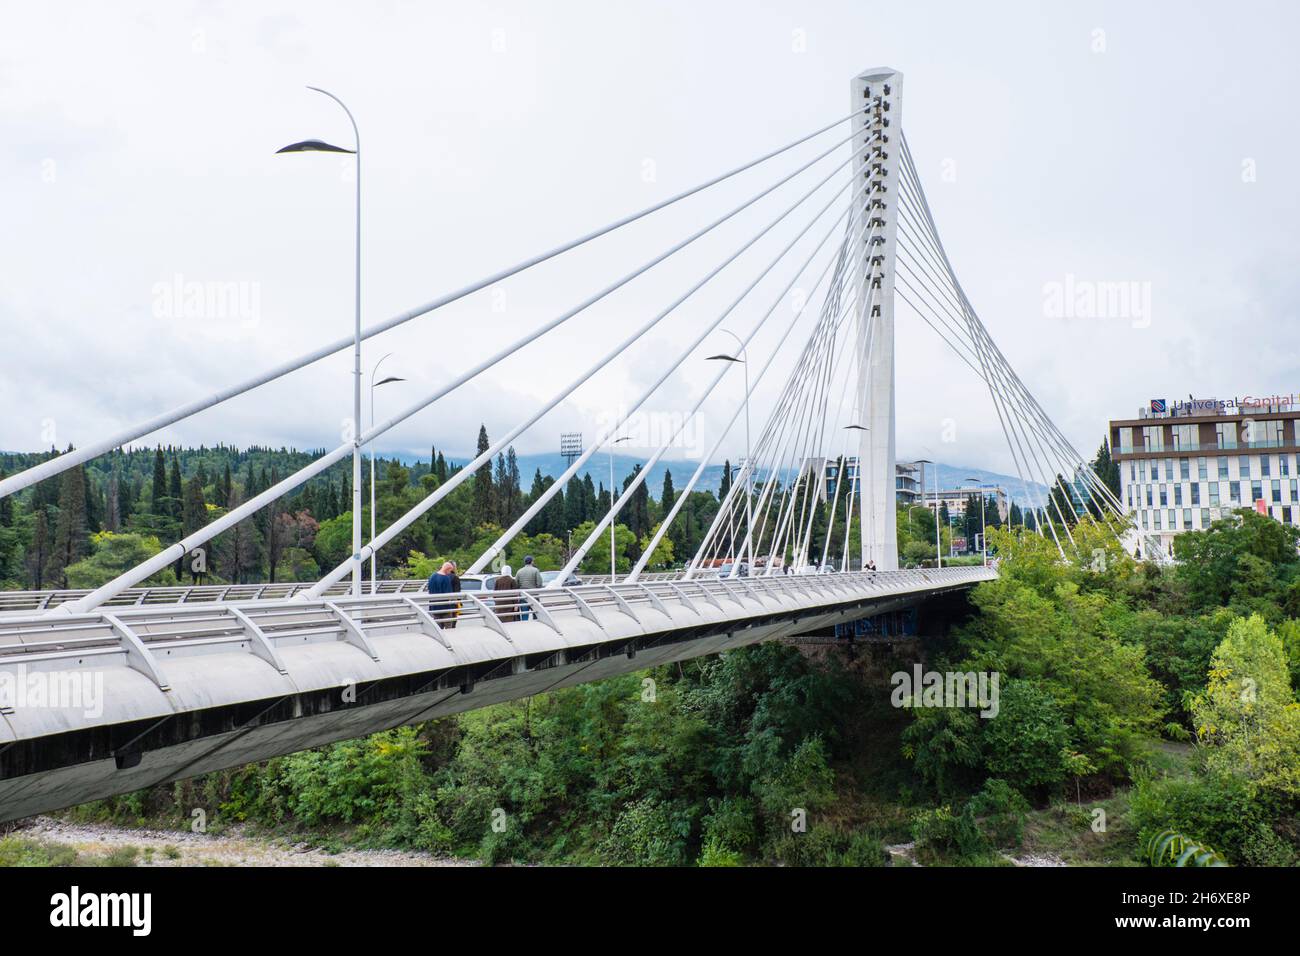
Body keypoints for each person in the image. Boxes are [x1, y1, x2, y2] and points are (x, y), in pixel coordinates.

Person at [427, 561, 456, 626]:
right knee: (448, 626)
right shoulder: (446, 578)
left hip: (434, 606)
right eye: (450, 570)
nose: (450, 572)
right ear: (447, 569)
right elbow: (449, 594)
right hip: (445, 606)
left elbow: (429, 589)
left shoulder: (432, 576)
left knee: (438, 626)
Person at [515, 555, 542, 621]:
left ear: (525, 562)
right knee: (536, 615)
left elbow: (516, 584)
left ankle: (525, 628)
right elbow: (539, 583)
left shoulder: (519, 571)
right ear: (532, 562)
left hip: (523, 596)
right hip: (534, 596)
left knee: (524, 615)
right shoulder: (535, 570)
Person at [446, 560, 462, 629]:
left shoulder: (442, 576)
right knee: (452, 625)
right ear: (452, 567)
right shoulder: (455, 578)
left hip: (441, 603)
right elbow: (457, 593)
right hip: (452, 604)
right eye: (455, 567)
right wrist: (459, 603)